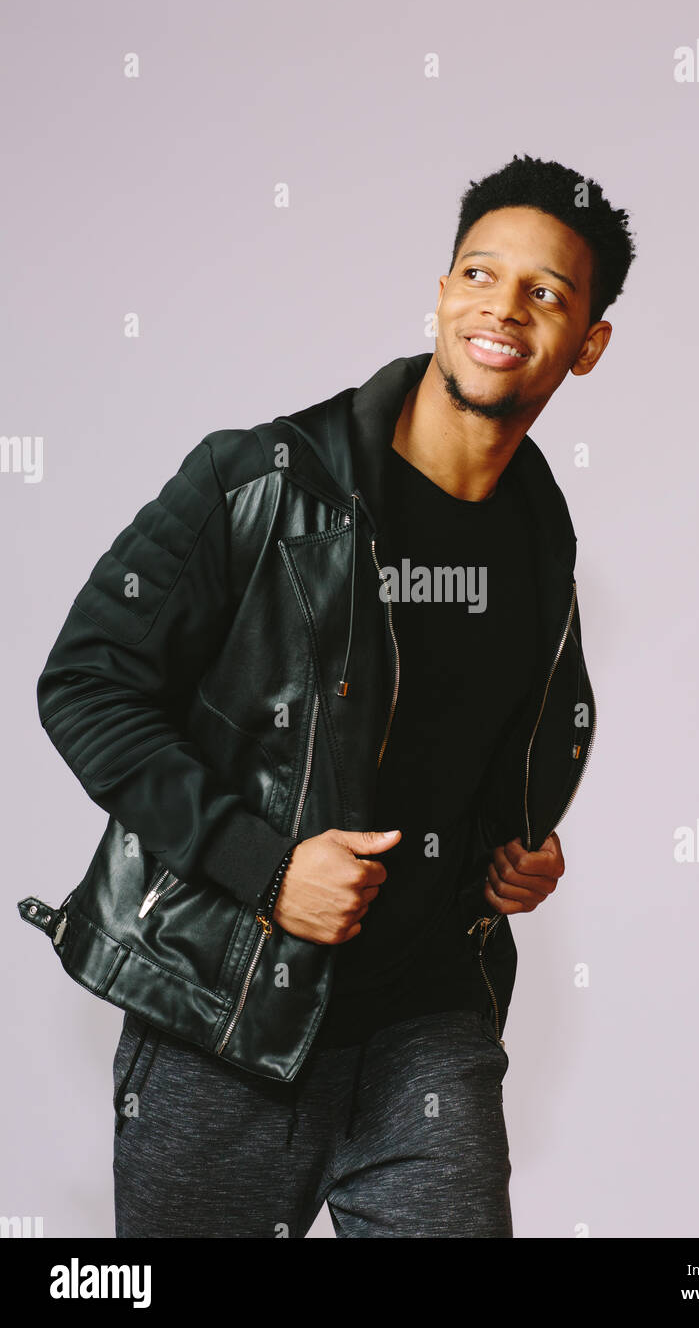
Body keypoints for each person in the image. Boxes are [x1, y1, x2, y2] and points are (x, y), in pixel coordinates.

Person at [31, 153, 635, 1238]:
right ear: (443, 292)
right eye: (479, 273)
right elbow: (86, 685)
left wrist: (515, 844)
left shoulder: (539, 536)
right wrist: (266, 872)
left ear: (586, 343)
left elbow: (472, 734)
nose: (502, 307)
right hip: (229, 1021)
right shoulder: (258, 482)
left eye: (545, 291)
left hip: (427, 1031)